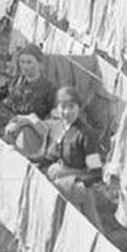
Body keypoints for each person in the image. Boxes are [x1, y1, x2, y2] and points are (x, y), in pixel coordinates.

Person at [0, 43, 57, 157]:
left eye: (29, 62)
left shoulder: (48, 88)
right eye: (22, 62)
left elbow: (52, 116)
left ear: (40, 64)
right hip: (6, 123)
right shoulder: (16, 81)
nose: (25, 66)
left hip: (28, 132)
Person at [42, 86, 105, 226]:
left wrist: (73, 182)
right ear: (57, 109)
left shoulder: (87, 135)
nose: (67, 112)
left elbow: (96, 173)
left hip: (79, 184)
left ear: (79, 108)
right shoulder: (60, 128)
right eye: (63, 107)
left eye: (72, 107)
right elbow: (52, 156)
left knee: (86, 225)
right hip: (61, 176)